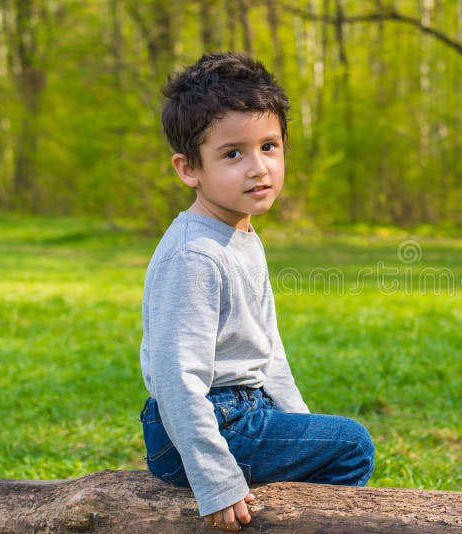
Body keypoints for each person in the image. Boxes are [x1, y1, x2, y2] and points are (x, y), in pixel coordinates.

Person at [138, 52, 375, 532]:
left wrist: (303, 425)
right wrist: (216, 480)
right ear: (188, 168)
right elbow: (175, 377)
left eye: (269, 146)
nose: (257, 167)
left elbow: (269, 352)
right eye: (233, 153)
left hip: (244, 411)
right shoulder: (195, 255)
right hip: (200, 425)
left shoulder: (241, 235)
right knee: (352, 445)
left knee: (332, 439)